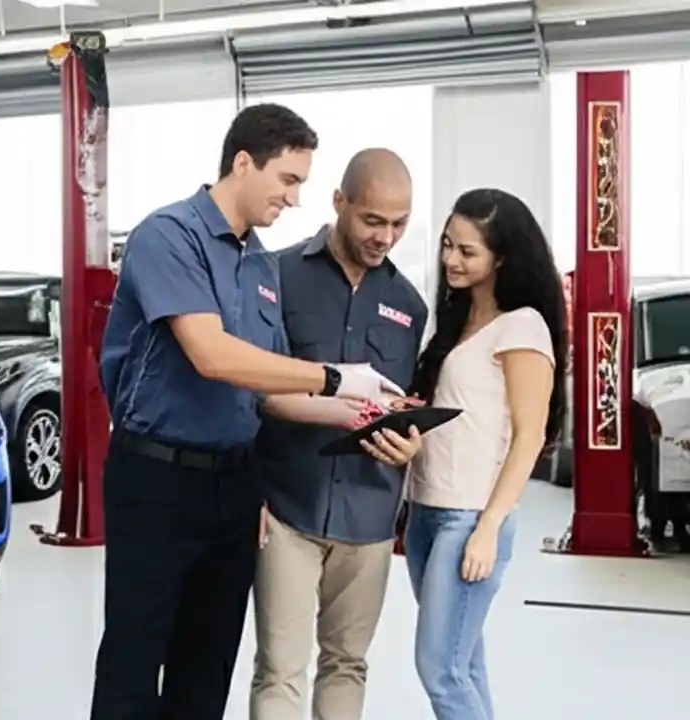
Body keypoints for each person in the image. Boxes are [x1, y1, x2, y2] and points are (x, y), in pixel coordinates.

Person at [91, 103, 410, 720]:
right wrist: (336, 375)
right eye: (288, 180)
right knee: (136, 655)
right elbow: (212, 356)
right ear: (243, 162)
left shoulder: (260, 264)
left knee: (206, 665)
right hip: (157, 479)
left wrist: (362, 411)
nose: (294, 199)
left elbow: (269, 389)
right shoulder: (169, 235)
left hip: (235, 486)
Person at [250, 148, 429, 720]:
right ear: (338, 203)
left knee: (348, 662)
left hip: (370, 512)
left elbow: (399, 404)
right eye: (372, 220)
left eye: (399, 224)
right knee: (280, 667)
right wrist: (247, 488)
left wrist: (411, 443)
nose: (385, 237)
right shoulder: (274, 275)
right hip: (286, 507)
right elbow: (248, 389)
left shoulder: (409, 304)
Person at [404, 188, 567, 720]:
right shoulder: (455, 324)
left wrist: (489, 527)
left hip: (470, 519)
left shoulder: (522, 327)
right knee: (463, 665)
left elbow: (530, 435)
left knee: (441, 672)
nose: (451, 258)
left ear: (502, 257)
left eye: (467, 251)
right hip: (430, 512)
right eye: (448, 245)